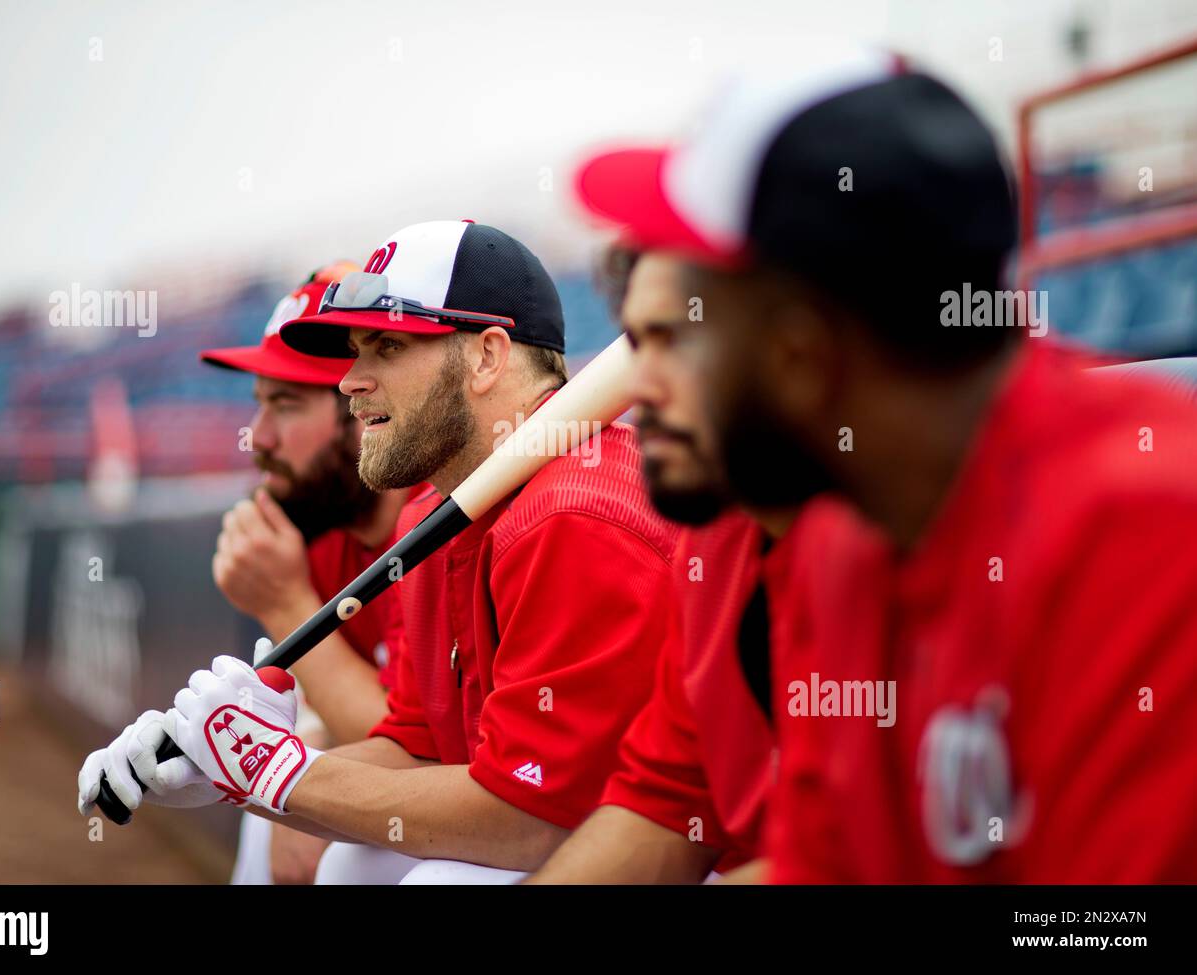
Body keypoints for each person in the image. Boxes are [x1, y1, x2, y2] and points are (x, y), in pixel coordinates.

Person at [571, 39, 1197, 881]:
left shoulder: (1150, 532)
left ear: (801, 355)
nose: (629, 383)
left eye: (678, 334)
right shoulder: (839, 533)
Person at [80, 220, 680, 884]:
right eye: (357, 350)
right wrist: (230, 770)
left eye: (388, 346)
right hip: (580, 831)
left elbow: (534, 818)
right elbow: (421, 748)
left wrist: (282, 773)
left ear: (486, 356)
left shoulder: (573, 514)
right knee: (353, 866)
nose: (350, 382)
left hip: (732, 854)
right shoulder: (430, 515)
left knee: (440, 883)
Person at [527, 248, 792, 883]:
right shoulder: (718, 539)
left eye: (677, 341)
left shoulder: (964, 531)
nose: (635, 386)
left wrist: (291, 778)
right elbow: (666, 799)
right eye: (638, 344)